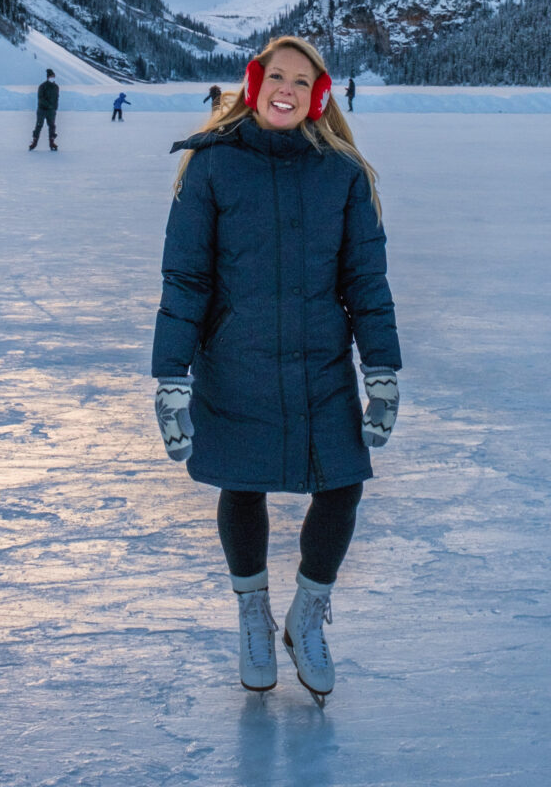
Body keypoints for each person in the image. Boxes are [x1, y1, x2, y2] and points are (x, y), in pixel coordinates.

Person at [151, 35, 401, 705]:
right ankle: (253, 618)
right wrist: (170, 377)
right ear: (254, 82)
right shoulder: (211, 166)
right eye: (276, 77)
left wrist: (381, 371)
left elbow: (366, 283)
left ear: (317, 98)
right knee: (243, 485)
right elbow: (186, 281)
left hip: (321, 365)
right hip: (237, 361)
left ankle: (307, 616)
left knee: (342, 487)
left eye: (301, 81)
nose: (285, 90)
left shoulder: (342, 173)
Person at [29, 68, 59, 151]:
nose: (53, 78)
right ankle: (34, 142)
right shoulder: (42, 86)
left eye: (54, 76)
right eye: (51, 76)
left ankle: (52, 142)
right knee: (39, 125)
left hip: (51, 111)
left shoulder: (56, 87)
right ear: (48, 77)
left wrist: (55, 107)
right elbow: (40, 98)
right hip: (42, 110)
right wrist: (49, 105)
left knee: (52, 126)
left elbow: (57, 98)